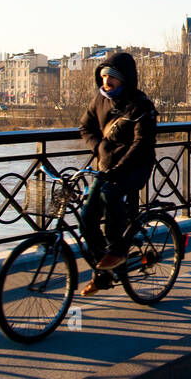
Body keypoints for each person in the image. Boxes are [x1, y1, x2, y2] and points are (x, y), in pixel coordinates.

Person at [77, 51, 157, 295]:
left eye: (111, 78)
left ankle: (117, 251)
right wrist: (99, 147)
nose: (106, 82)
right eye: (103, 77)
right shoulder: (99, 100)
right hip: (107, 167)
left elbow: (142, 143)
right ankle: (103, 271)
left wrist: (119, 168)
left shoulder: (141, 105)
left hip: (136, 166)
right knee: (86, 215)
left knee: (110, 194)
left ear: (125, 78)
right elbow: (85, 127)